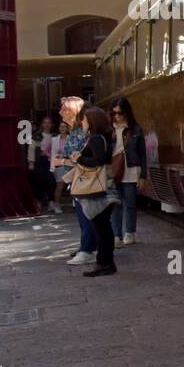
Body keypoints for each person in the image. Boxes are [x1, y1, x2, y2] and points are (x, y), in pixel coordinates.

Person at [73, 105, 118, 278]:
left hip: (98, 187)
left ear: (91, 121)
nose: (82, 122)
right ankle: (106, 262)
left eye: (84, 119)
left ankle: (104, 263)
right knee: (104, 226)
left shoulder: (96, 139)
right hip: (105, 185)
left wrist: (80, 158)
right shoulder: (102, 137)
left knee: (101, 227)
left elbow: (97, 161)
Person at [55, 96, 95, 266]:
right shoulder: (76, 132)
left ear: (73, 112)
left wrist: (61, 162)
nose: (60, 112)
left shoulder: (80, 133)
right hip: (78, 179)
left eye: (64, 109)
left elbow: (81, 159)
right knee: (82, 215)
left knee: (85, 215)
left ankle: (87, 250)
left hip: (84, 179)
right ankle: (86, 247)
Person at [109, 97, 145, 246]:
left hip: (131, 170)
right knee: (115, 203)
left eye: (120, 113)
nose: (117, 116)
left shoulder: (135, 129)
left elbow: (142, 153)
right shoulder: (109, 129)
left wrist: (143, 176)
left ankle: (130, 233)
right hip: (114, 170)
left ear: (126, 112)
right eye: (114, 113)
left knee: (130, 203)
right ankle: (116, 235)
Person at [27, 115, 58, 213]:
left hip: (51, 161)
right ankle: (39, 202)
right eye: (45, 122)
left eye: (49, 123)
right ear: (42, 124)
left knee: (51, 182)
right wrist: (31, 162)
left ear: (52, 125)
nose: (47, 125)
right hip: (40, 161)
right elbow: (31, 149)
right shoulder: (37, 136)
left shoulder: (55, 136)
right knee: (39, 182)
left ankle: (51, 202)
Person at [49, 120, 72, 212]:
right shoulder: (54, 139)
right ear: (58, 129)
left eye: (64, 127)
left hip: (70, 163)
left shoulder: (71, 138)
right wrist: (52, 162)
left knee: (72, 185)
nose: (62, 128)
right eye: (61, 127)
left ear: (67, 128)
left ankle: (75, 203)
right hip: (59, 164)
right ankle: (57, 205)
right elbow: (48, 151)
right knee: (60, 186)